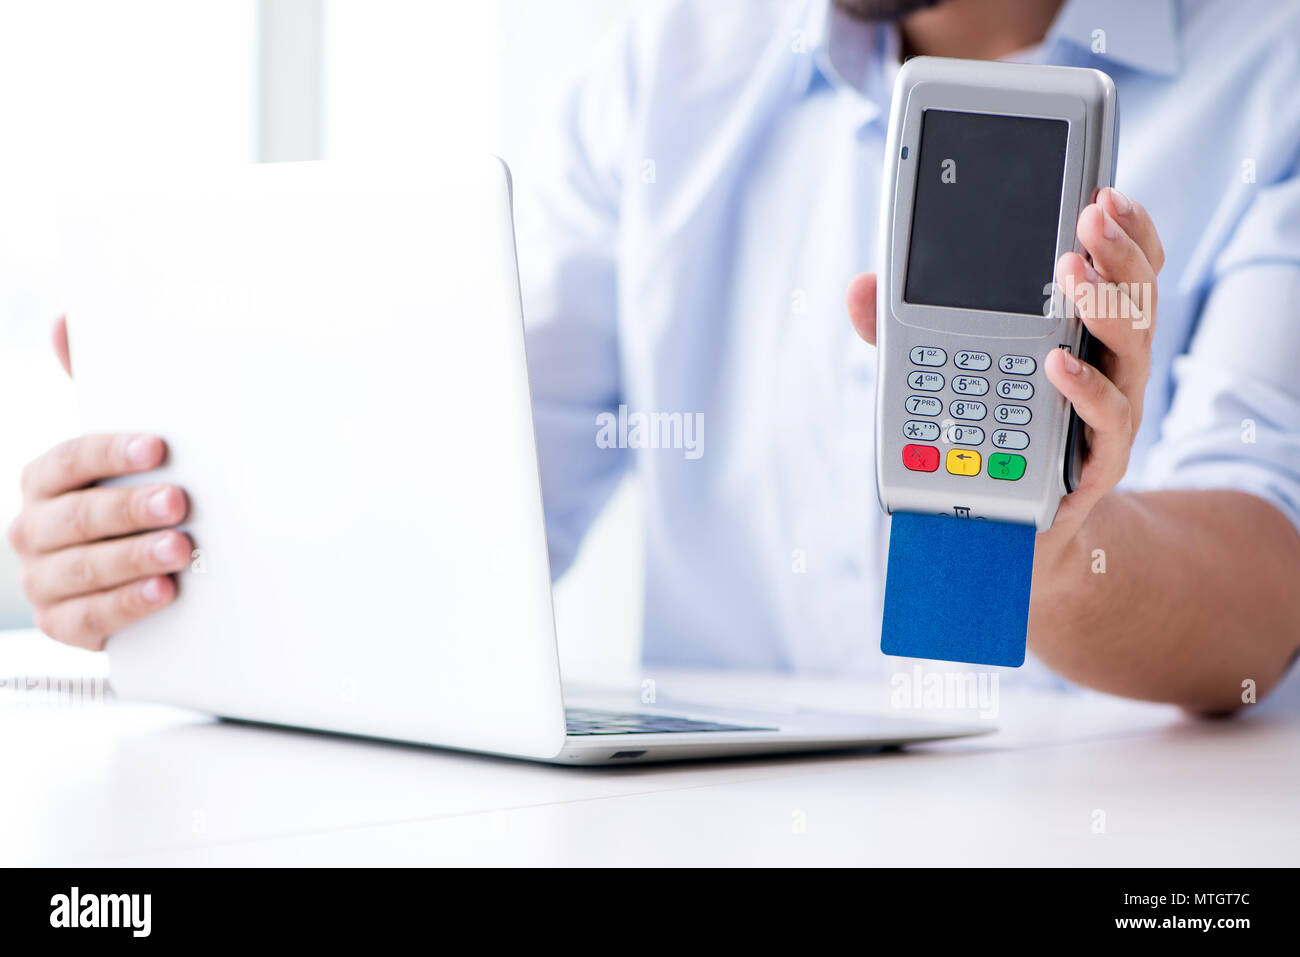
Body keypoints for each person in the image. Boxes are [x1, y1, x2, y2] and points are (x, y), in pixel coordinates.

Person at [10, 0, 1300, 713]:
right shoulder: (672, 66)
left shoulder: (1273, 79)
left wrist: (1055, 552)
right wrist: (186, 533)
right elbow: (479, 488)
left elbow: (1266, 583)